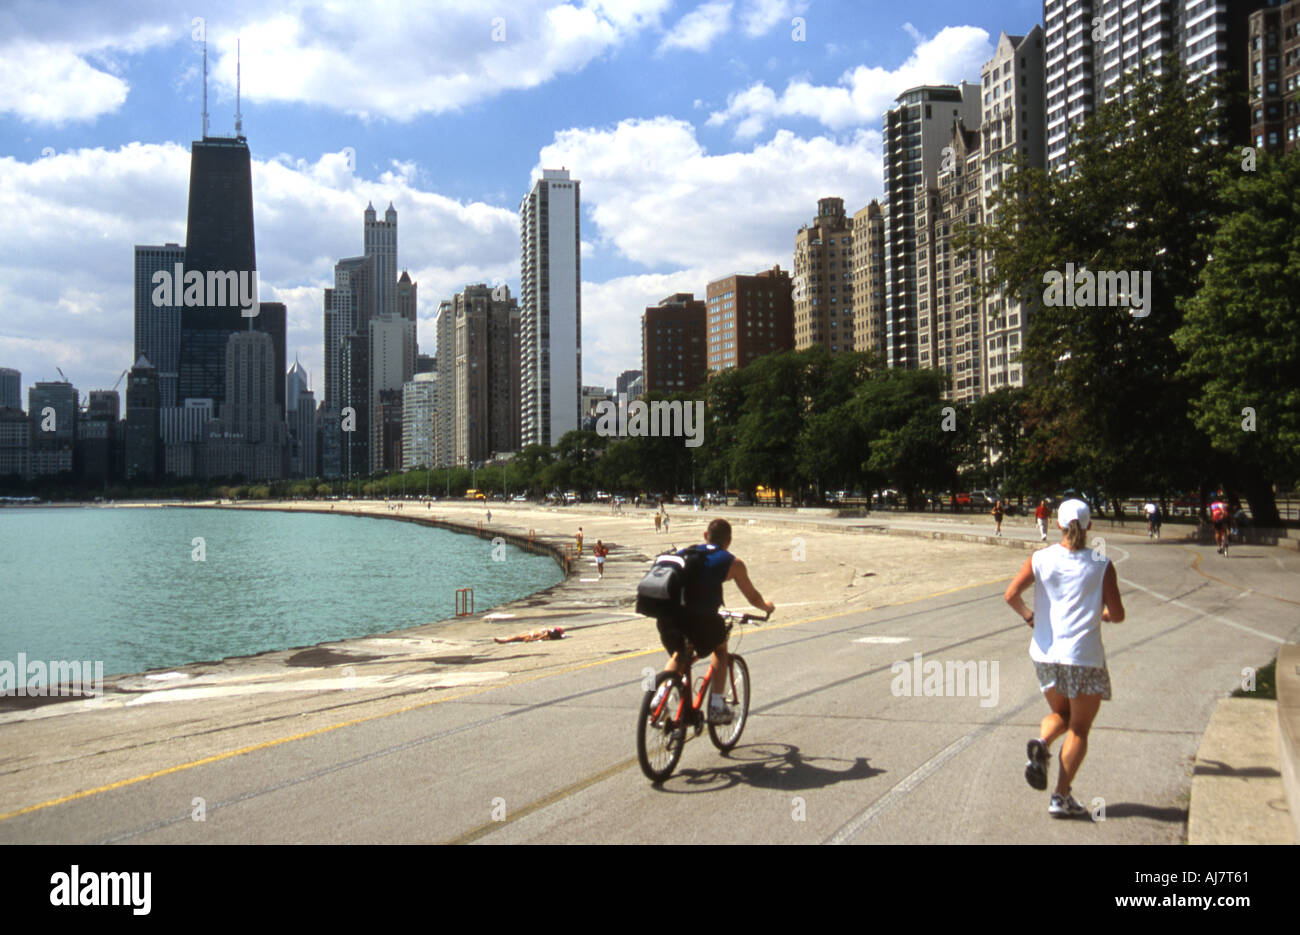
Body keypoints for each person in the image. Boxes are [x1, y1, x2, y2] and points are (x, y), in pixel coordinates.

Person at [1004, 499, 1125, 818]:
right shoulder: (1101, 564)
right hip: (1084, 656)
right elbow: (1118, 614)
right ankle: (1060, 796)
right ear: (1088, 526)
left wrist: (1032, 619)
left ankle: (1042, 743)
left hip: (1045, 655)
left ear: (1057, 524)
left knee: (1062, 714)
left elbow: (1011, 595)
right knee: (1080, 728)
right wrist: (1099, 613)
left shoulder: (1040, 558)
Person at [653, 519, 775, 724]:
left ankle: (658, 699)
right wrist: (766, 607)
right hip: (697, 619)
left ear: (705, 535)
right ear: (729, 541)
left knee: (680, 654)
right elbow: (752, 597)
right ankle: (717, 705)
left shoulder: (685, 553)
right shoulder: (732, 562)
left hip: (667, 616)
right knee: (720, 649)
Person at [494, 626, 566, 644]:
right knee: (515, 637)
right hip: (531, 635)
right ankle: (504, 640)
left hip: (531, 636)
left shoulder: (547, 633)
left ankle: (503, 641)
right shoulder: (548, 633)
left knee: (516, 637)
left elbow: (539, 638)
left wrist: (531, 640)